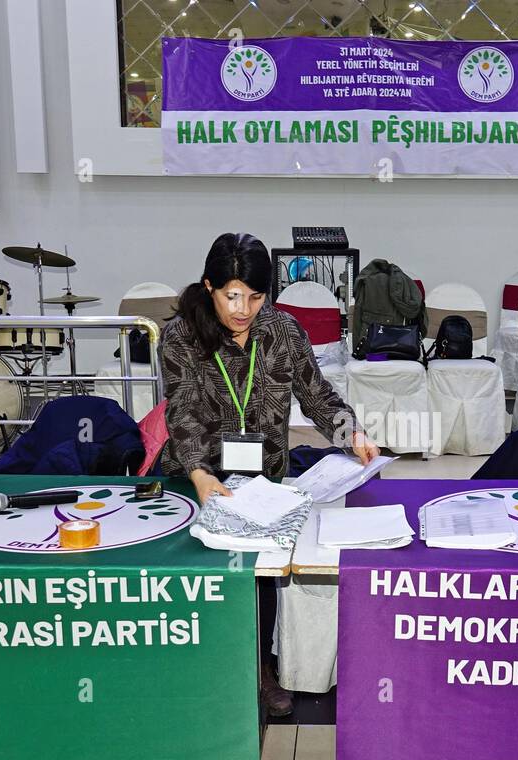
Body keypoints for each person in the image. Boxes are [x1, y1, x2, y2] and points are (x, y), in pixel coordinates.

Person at [160, 232, 380, 716]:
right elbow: (182, 412)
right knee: (208, 576)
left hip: (265, 481)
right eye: (231, 295)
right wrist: (198, 473)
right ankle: (204, 668)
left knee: (261, 577)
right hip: (197, 476)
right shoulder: (181, 336)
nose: (243, 308)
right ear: (209, 286)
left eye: (256, 296)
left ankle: (261, 670)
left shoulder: (283, 332)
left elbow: (317, 395)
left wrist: (354, 433)